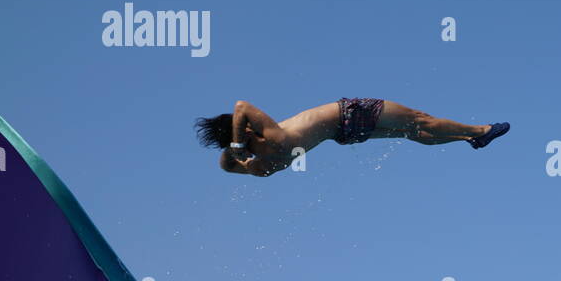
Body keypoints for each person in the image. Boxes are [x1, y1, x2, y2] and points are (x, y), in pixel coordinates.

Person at [194, 98, 509, 177]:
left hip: (343, 134)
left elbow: (225, 165)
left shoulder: (263, 166)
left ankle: (471, 138)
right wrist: (236, 144)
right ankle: (478, 132)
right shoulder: (272, 135)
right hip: (348, 114)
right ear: (244, 130)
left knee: (415, 133)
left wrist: (234, 150)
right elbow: (241, 106)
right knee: (419, 122)